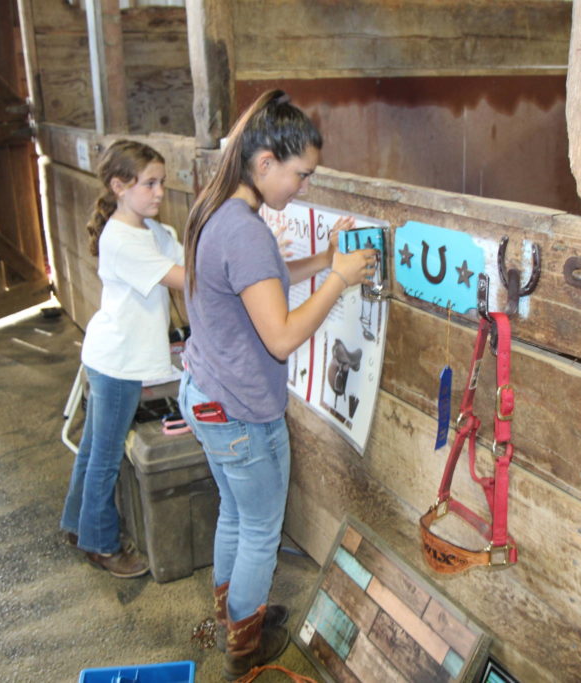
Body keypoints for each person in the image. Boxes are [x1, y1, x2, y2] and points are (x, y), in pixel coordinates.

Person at [177, 90, 376, 679]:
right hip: (239, 410)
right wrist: (339, 279)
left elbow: (260, 281)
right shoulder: (245, 230)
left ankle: (231, 613)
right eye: (301, 175)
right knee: (262, 527)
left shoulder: (221, 212)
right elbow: (282, 337)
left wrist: (321, 262)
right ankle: (244, 642)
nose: (304, 188)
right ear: (264, 164)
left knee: (236, 515)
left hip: (207, 396)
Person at [60, 139, 184, 578]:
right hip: (117, 365)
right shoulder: (121, 239)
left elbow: (184, 259)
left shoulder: (151, 231)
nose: (159, 193)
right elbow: (183, 278)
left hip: (114, 357)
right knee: (107, 457)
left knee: (94, 449)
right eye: (149, 184)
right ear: (119, 186)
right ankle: (102, 543)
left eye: (162, 183)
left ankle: (78, 525)